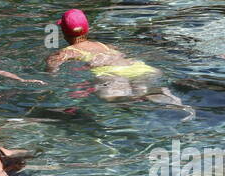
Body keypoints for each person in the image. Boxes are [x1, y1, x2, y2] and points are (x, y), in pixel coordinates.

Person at [45, 8, 186, 108]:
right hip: (138, 67)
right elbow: (122, 53)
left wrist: (49, 76)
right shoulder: (104, 45)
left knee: (109, 98)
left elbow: (52, 71)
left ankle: (143, 96)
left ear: (63, 32)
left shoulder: (66, 52)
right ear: (87, 29)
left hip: (112, 74)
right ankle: (161, 95)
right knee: (142, 88)